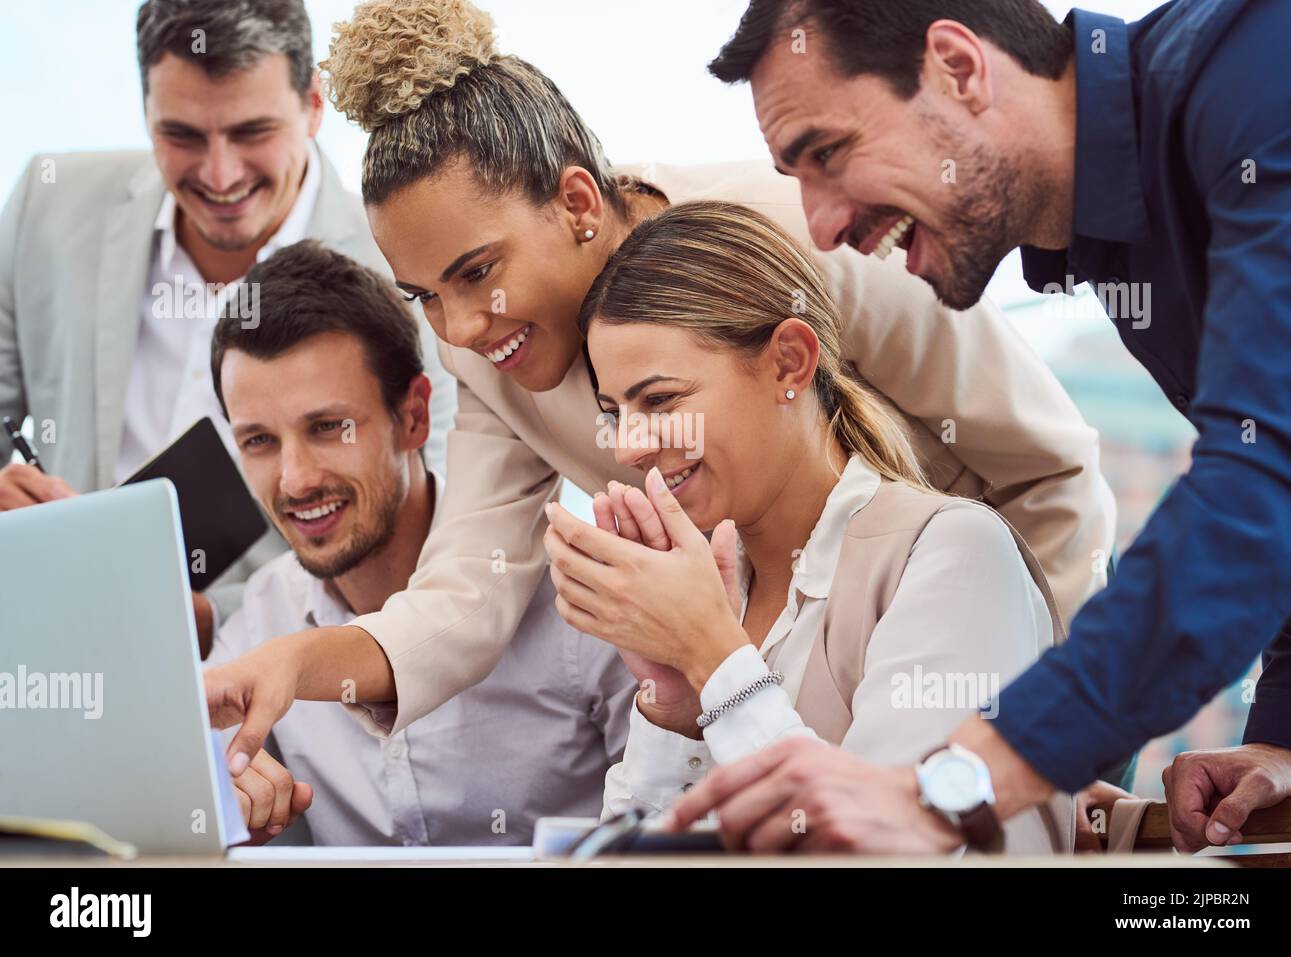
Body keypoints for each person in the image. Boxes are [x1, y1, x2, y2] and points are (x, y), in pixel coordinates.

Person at [202, 0, 1116, 782]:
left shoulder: (800, 231)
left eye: (479, 273)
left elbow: (1047, 469)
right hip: (751, 676)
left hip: (956, 628)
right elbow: (466, 592)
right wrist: (294, 660)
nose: (462, 329)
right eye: (424, 296)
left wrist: (1054, 732)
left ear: (577, 202)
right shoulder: (487, 355)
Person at [669, 0, 1291, 853]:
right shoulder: (1126, 249)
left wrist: (949, 786)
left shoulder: (1261, 78)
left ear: (959, 69)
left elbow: (1262, 488)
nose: (822, 224)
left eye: (827, 153)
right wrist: (1288, 733)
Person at [542, 200, 1073, 853]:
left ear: (789, 363)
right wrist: (675, 708)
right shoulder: (716, 587)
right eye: (614, 410)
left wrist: (714, 658)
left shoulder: (954, 554)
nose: (627, 446)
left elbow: (885, 856)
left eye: (659, 400)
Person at [0, 0, 455, 644]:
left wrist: (215, 621)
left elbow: (428, 532)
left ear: (314, 106)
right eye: (182, 135)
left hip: (299, 684)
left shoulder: (406, 268)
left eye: (251, 132)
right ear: (146, 113)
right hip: (42, 637)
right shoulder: (46, 206)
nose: (219, 175)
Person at [206, 240, 633, 846]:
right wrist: (224, 801)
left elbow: (675, 823)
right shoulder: (261, 620)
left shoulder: (580, 598)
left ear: (414, 417)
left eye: (328, 428)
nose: (295, 479)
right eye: (259, 442)